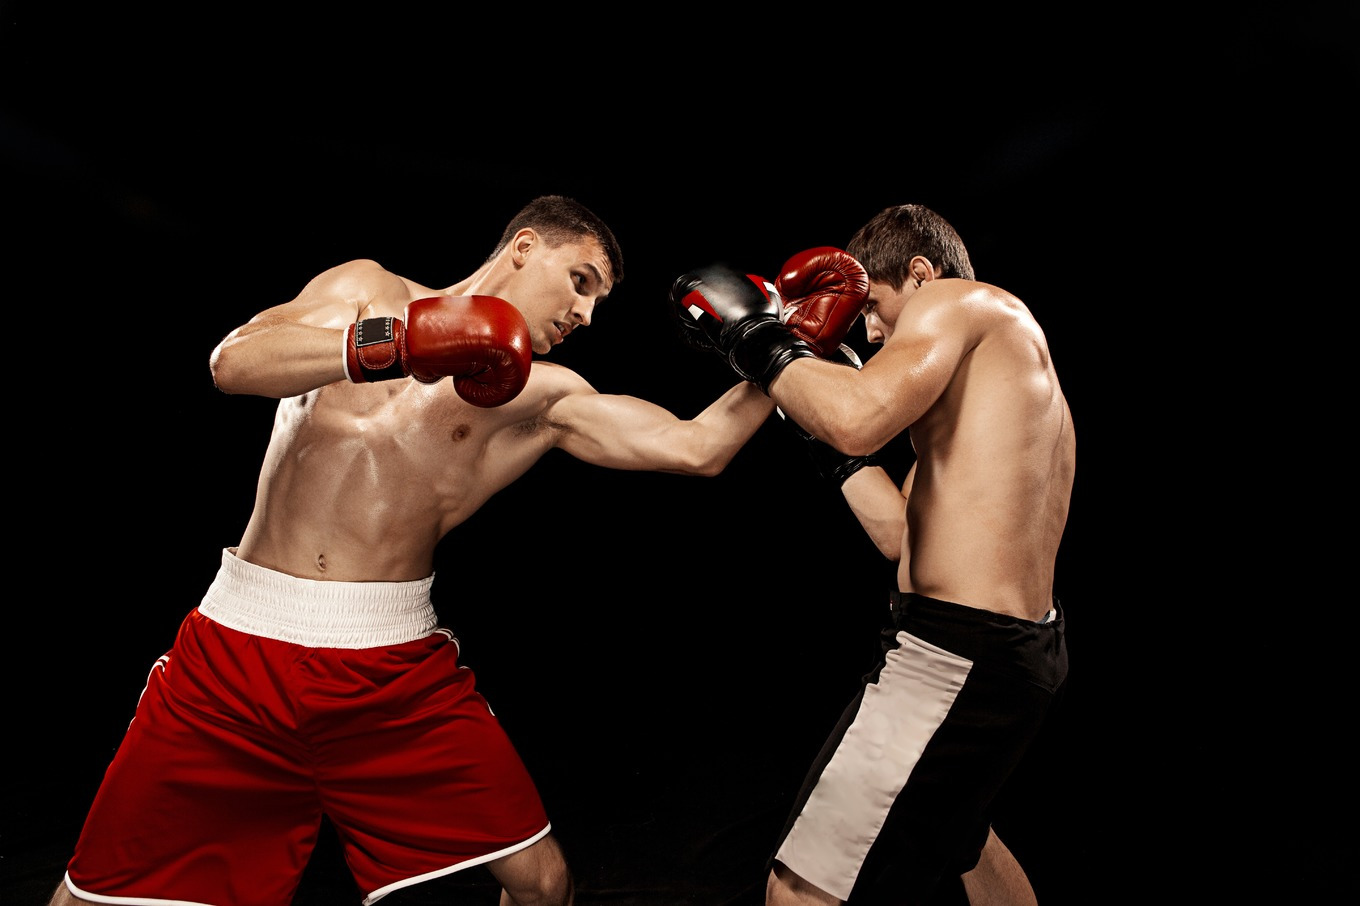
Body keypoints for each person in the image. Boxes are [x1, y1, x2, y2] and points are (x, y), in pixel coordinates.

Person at [49, 194, 824, 906]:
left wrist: (778, 350)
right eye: (580, 280)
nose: (586, 312)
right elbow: (234, 363)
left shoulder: (545, 394)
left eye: (598, 301)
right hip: (235, 651)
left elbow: (696, 449)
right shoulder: (368, 290)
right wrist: (399, 342)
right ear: (524, 247)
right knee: (94, 889)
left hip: (388, 669)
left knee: (541, 881)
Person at [670, 203, 1073, 906]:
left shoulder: (958, 299)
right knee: (964, 841)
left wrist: (760, 339)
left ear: (920, 273)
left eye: (877, 309)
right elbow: (900, 533)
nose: (876, 333)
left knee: (798, 890)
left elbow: (856, 418)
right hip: (1013, 656)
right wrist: (823, 444)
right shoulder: (1000, 383)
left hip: (954, 654)